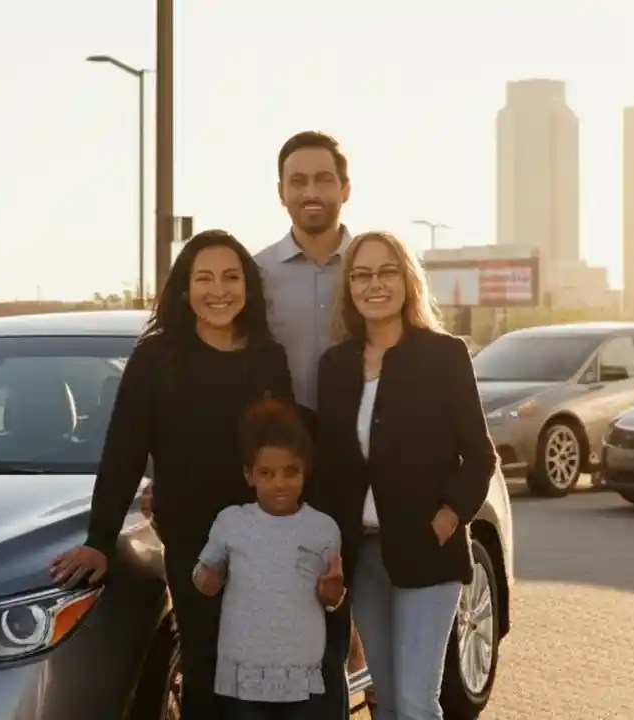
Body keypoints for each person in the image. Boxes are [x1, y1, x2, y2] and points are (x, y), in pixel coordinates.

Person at [141, 130, 360, 718]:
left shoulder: (369, 269)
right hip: (271, 480)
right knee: (241, 647)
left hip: (348, 472)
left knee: (328, 642)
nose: (310, 191)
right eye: (297, 180)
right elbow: (192, 388)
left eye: (322, 179)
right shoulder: (252, 275)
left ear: (345, 186)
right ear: (281, 192)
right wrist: (160, 474)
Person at [50, 229, 299, 720]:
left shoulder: (267, 356)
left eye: (231, 277)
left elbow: (284, 453)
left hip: (263, 538)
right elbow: (124, 449)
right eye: (204, 278)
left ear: (247, 286)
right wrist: (99, 539)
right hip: (190, 540)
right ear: (185, 288)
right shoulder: (157, 357)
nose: (219, 289)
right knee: (205, 673)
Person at [315, 231, 496, 720]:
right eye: (361, 274)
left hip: (429, 554)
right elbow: (329, 467)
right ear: (349, 287)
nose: (375, 284)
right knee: (389, 702)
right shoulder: (334, 366)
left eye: (387, 271)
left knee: (417, 702)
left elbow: (480, 456)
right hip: (365, 558)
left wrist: (449, 516)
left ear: (407, 280)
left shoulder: (444, 356)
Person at [193, 397, 345, 720]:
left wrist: (333, 593)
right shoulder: (231, 522)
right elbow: (203, 580)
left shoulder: (323, 529)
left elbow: (331, 600)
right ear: (249, 475)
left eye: (291, 472)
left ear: (305, 472)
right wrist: (208, 579)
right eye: (267, 473)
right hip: (243, 678)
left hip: (301, 676)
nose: (280, 483)